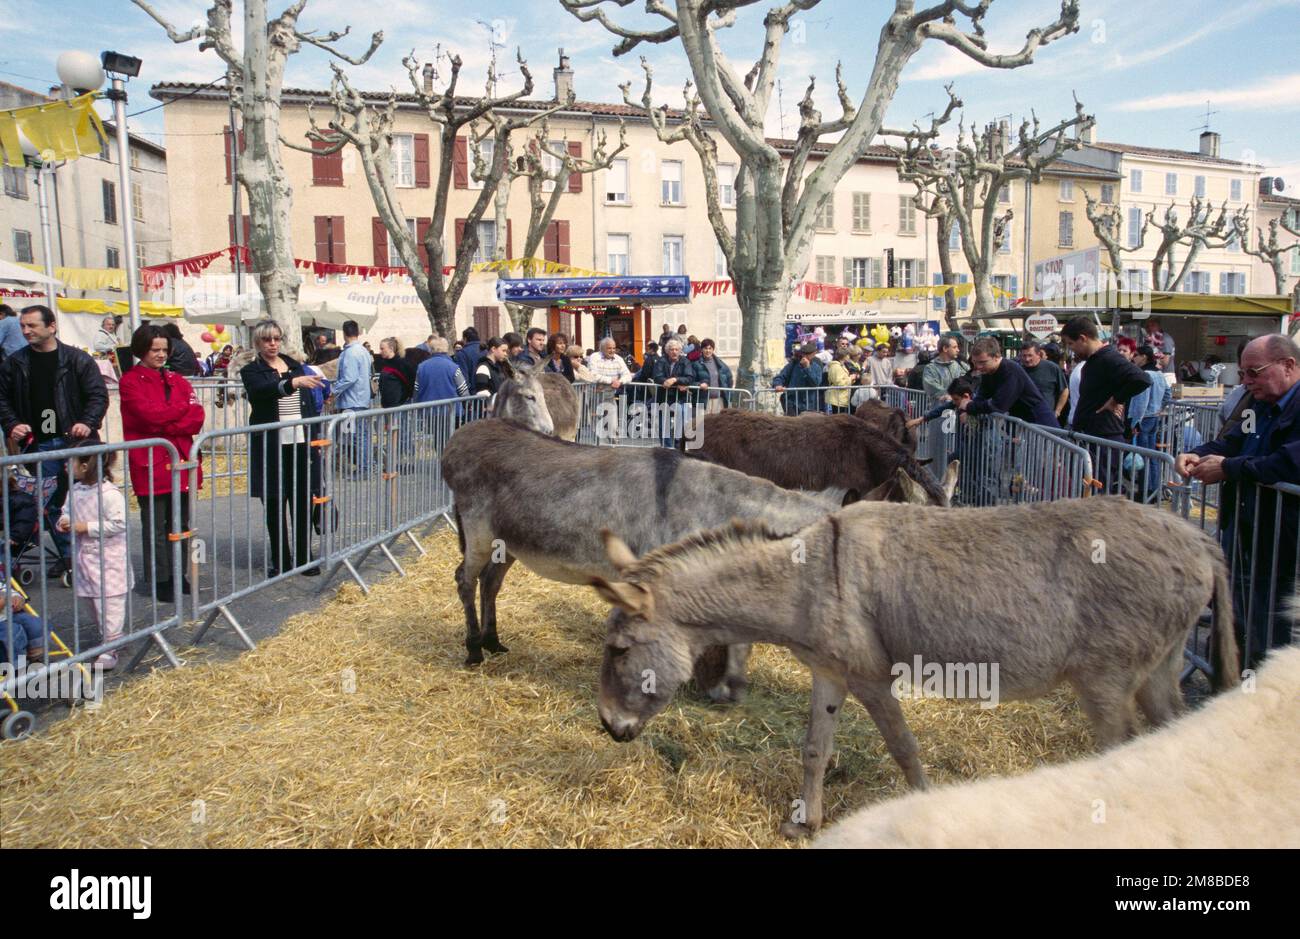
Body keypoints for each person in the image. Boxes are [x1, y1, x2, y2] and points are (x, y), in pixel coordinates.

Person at [1177, 334, 1300, 672]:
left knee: (1274, 622)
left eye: (1253, 372)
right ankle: (1239, 682)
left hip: (1285, 537)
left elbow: (1289, 462)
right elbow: (1233, 441)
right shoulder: (1258, 404)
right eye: (1244, 373)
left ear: (1288, 365)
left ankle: (1268, 696)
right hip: (1248, 528)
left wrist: (1229, 469)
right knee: (1240, 613)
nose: (1245, 381)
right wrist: (1197, 454)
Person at [0, 305, 108, 574]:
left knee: (86, 499)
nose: (26, 331)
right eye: (23, 326)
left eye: (32, 325)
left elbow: (98, 395)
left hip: (77, 444)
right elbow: (1, 398)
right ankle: (70, 556)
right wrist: (13, 423)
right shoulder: (14, 363)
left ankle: (92, 555)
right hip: (40, 444)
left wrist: (87, 422)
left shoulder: (78, 360)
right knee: (50, 505)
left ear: (51, 326)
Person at [119, 324, 205, 603]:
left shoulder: (177, 380)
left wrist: (170, 418)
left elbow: (198, 416)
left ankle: (180, 572)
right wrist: (179, 413)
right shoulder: (130, 381)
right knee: (156, 523)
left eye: (164, 350)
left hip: (179, 456)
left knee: (181, 522)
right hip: (151, 461)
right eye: (154, 349)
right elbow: (147, 416)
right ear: (142, 350)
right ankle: (160, 578)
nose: (160, 354)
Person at [239, 319, 325, 578]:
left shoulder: (295, 364)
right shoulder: (252, 370)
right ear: (258, 343)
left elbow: (310, 404)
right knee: (276, 502)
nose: (273, 344)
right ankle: (281, 560)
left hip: (300, 441)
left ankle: (303, 556)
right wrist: (291, 384)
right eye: (267, 339)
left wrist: (315, 440)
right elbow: (260, 392)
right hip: (271, 445)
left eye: (276, 338)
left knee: (301, 500)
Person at [57, 449, 131, 668]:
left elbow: (119, 523)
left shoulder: (109, 494)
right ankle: (111, 638)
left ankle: (110, 648)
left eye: (70, 462)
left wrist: (85, 527)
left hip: (107, 558)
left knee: (109, 601)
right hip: (84, 557)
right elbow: (66, 510)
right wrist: (65, 520)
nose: (65, 466)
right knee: (92, 601)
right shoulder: (75, 490)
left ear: (85, 466)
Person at [957, 337, 1056, 426]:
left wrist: (969, 406)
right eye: (975, 362)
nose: (978, 367)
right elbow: (982, 396)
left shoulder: (1010, 370)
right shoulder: (987, 372)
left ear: (996, 357)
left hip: (1039, 423)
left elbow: (997, 405)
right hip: (1023, 425)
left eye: (983, 362)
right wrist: (967, 411)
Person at [333, 319, 374, 476]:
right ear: (358, 332)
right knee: (362, 435)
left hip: (352, 400)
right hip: (361, 398)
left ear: (344, 334)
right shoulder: (363, 351)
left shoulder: (350, 352)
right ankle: (368, 465)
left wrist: (334, 390)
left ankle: (365, 467)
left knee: (357, 437)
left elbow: (349, 378)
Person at [651, 338, 698, 445]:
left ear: (680, 351)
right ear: (667, 351)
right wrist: (665, 381)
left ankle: (678, 446)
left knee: (681, 420)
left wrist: (675, 380)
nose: (674, 352)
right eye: (671, 349)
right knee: (664, 425)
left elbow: (689, 377)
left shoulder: (685, 362)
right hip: (664, 397)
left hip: (680, 398)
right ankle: (666, 448)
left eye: (677, 349)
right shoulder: (661, 361)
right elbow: (657, 376)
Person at [1019, 339, 1069, 426]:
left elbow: (1064, 390)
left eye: (1030, 355)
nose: (1027, 359)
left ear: (1039, 354)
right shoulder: (1019, 370)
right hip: (1025, 421)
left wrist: (1057, 411)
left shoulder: (1052, 368)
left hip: (1046, 420)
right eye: (1024, 356)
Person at [414, 336, 470, 403]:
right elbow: (463, 391)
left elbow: (416, 391)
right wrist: (468, 404)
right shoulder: (453, 367)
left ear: (431, 349)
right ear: (446, 348)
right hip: (450, 410)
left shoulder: (421, 367)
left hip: (427, 410)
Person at [1, 585, 45, 667]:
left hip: (8, 614)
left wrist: (16, 598)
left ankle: (35, 658)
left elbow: (6, 590)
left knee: (33, 623)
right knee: (12, 632)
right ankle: (18, 668)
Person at [773, 343, 821, 416]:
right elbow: (781, 376)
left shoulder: (817, 367)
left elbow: (815, 383)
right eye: (804, 354)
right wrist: (777, 384)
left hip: (809, 404)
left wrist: (807, 368)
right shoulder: (793, 364)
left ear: (814, 354)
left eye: (808, 354)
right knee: (793, 424)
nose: (805, 356)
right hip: (792, 402)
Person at [694, 338, 733, 410]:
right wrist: (699, 385)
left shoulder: (720, 364)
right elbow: (691, 381)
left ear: (713, 350)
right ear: (702, 349)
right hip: (703, 401)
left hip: (719, 401)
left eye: (710, 348)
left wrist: (726, 393)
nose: (708, 351)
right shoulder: (696, 365)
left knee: (717, 421)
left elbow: (729, 379)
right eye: (705, 348)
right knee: (701, 421)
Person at [378, 337, 416, 408]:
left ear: (391, 349)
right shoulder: (384, 363)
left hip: (400, 406)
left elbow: (412, 382)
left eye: (382, 349)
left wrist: (405, 398)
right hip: (386, 405)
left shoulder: (402, 364)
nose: (380, 351)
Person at [826, 347, 854, 414]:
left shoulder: (840, 366)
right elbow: (840, 384)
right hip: (837, 398)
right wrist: (851, 378)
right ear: (844, 356)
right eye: (848, 355)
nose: (849, 357)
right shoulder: (836, 367)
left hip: (840, 397)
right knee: (838, 419)